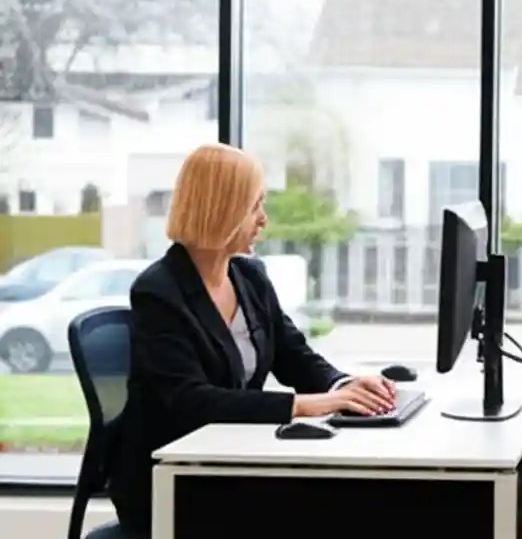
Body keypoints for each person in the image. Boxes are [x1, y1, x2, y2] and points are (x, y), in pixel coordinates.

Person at [107, 144, 397, 534]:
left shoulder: (250, 278)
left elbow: (293, 354)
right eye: (254, 206)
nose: (263, 220)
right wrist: (306, 405)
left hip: (230, 463)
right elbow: (191, 401)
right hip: (170, 480)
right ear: (221, 208)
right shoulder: (159, 292)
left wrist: (343, 385)